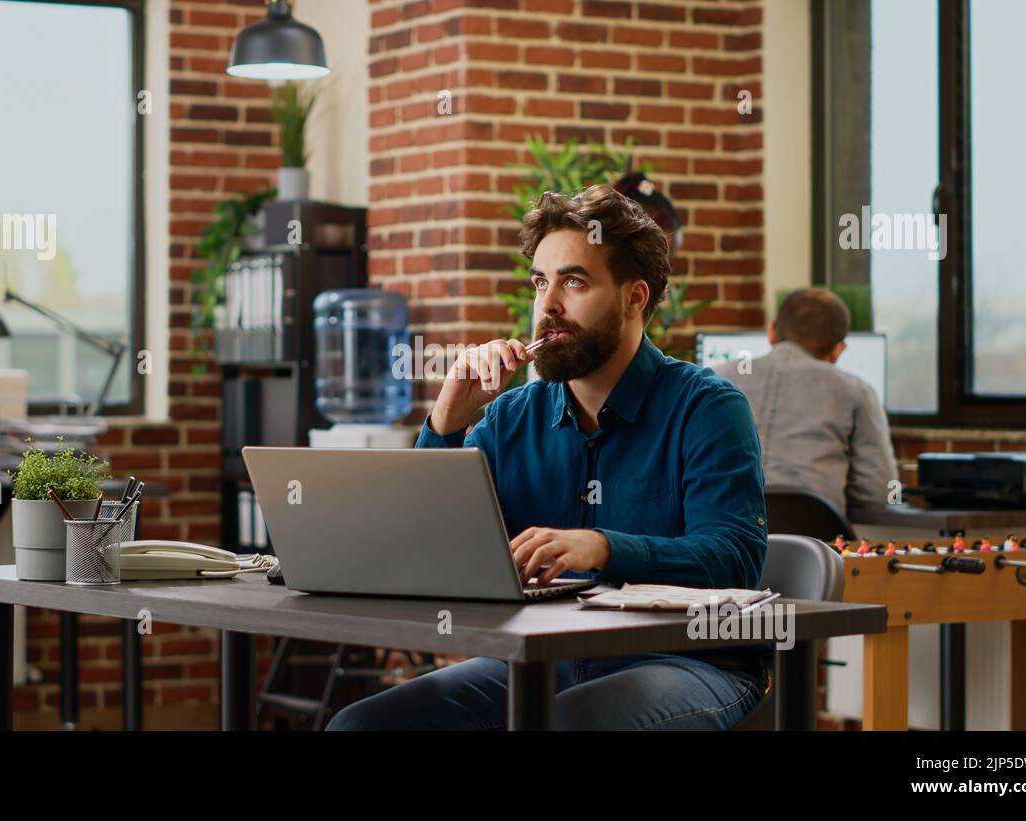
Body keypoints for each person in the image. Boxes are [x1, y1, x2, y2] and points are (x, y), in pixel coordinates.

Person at [327, 184, 769, 731]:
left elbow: (733, 559)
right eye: (541, 282)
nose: (548, 305)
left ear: (634, 298)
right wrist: (446, 420)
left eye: (574, 281)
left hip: (691, 662)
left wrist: (603, 547)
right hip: (547, 661)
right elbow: (422, 545)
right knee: (362, 725)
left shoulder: (707, 407)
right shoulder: (510, 416)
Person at [713, 288, 898, 516]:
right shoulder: (857, 391)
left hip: (725, 530)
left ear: (771, 331)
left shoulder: (714, 379)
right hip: (815, 532)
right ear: (839, 350)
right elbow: (876, 492)